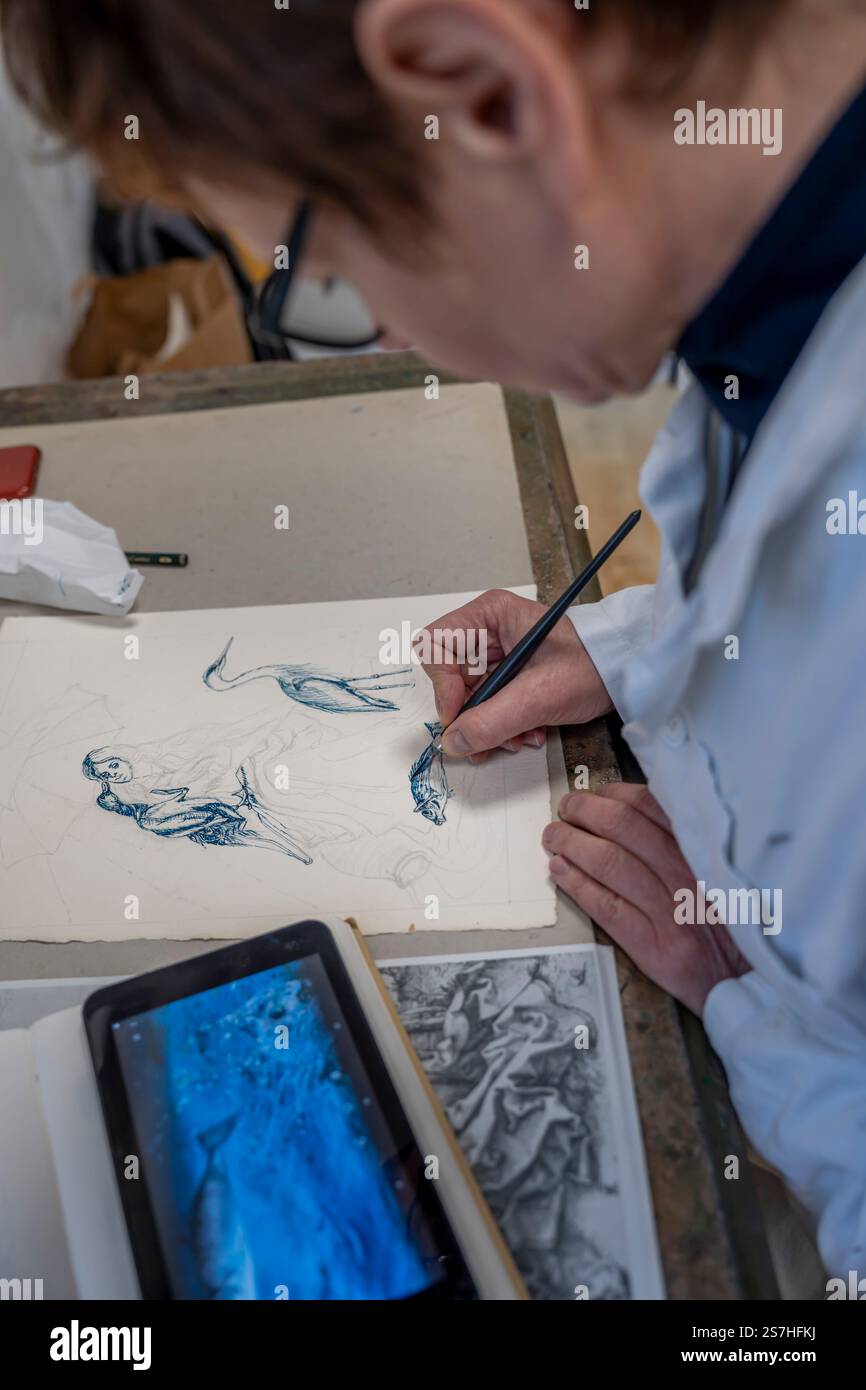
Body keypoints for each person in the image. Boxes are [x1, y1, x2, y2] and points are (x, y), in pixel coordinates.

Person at [3, 0, 865, 1282]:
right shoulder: (778, 287)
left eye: (331, 267)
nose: (401, 339)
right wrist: (644, 642)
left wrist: (763, 1016)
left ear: (483, 89)